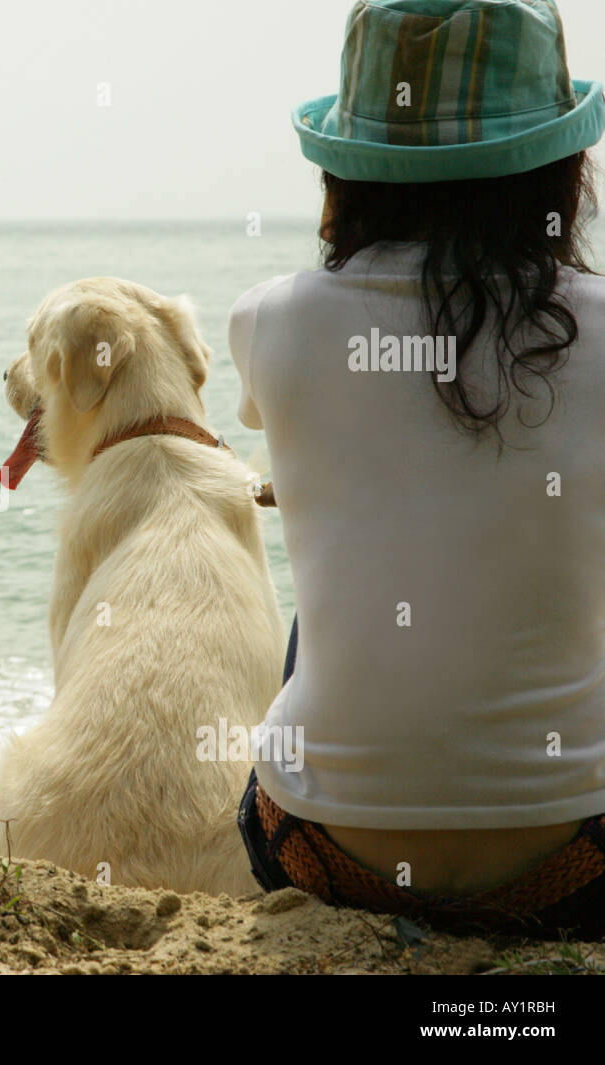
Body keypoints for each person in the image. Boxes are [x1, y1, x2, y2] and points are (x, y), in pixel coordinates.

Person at [231, 0, 605, 937]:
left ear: (349, 170)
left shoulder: (268, 322)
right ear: (562, 166)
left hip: (318, 845)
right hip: (576, 862)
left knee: (329, 603)